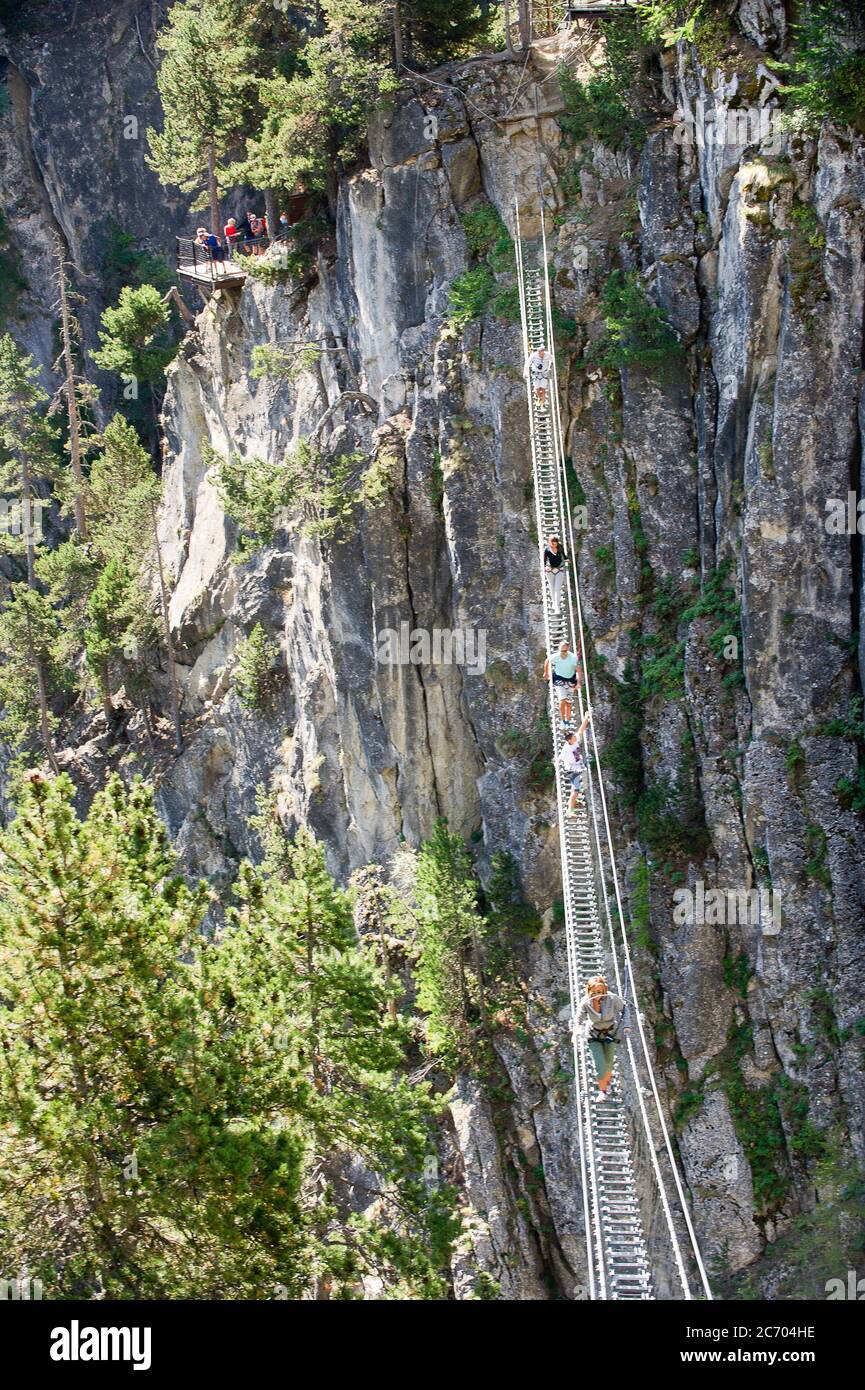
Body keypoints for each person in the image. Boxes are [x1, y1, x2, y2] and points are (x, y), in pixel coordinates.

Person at [573, 975, 630, 1102]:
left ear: (604, 990)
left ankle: (606, 1083)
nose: (598, 995)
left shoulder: (612, 998)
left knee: (609, 1064)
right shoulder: (586, 1002)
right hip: (594, 1034)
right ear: (589, 991)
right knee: (600, 1064)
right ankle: (603, 1091)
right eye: (595, 992)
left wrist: (627, 1025)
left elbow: (625, 1009)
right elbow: (579, 1017)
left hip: (611, 1034)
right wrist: (576, 1029)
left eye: (600, 992)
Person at [558, 709, 590, 817]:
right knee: (575, 791)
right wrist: (556, 764)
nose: (576, 738)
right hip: (572, 770)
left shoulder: (575, 740)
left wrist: (586, 718)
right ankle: (570, 810)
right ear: (570, 740)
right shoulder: (566, 748)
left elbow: (581, 730)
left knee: (582, 782)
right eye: (574, 738)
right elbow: (560, 758)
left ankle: (577, 798)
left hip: (578, 766)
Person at [543, 638, 581, 728]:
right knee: (562, 700)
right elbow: (547, 661)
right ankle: (562, 720)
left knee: (568, 703)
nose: (563, 652)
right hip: (559, 679)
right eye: (561, 650)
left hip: (570, 680)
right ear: (559, 649)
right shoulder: (555, 656)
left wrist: (578, 682)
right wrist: (546, 672)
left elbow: (579, 671)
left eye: (565, 650)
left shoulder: (573, 658)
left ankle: (567, 721)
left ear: (568, 649)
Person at [544, 534, 567, 615]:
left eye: (555, 543)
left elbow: (564, 556)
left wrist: (567, 561)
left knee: (557, 588)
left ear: (557, 542)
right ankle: (553, 603)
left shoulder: (560, 548)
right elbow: (544, 561)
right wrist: (545, 568)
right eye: (552, 543)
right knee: (552, 588)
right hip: (550, 570)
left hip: (559, 569)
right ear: (549, 542)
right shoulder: (547, 550)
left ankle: (557, 606)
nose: (553, 544)